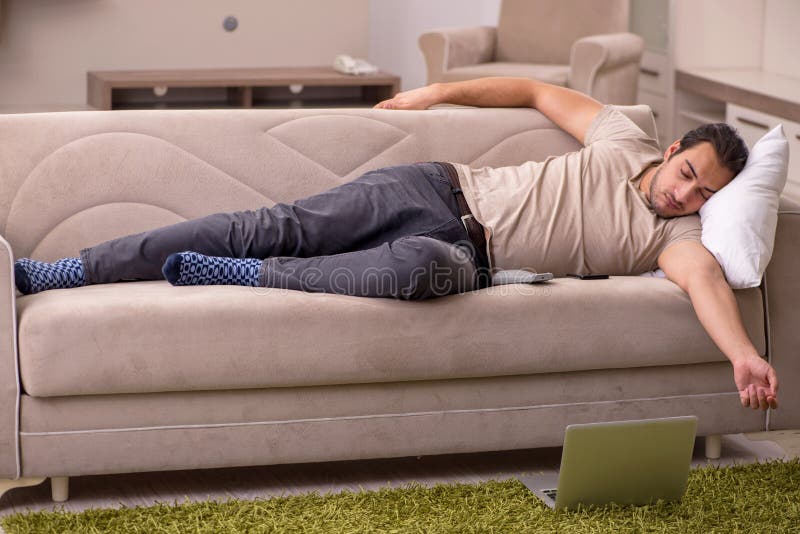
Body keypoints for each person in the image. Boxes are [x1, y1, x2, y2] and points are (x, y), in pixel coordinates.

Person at [13, 77, 778, 412]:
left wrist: (743, 356)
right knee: (262, 223)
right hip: (430, 188)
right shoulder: (621, 137)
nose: (685, 195)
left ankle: (246, 275)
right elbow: (535, 92)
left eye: (704, 194)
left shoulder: (674, 236)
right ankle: (69, 270)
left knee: (420, 270)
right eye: (687, 174)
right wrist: (435, 93)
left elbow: (706, 283)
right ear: (672, 149)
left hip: (465, 260)